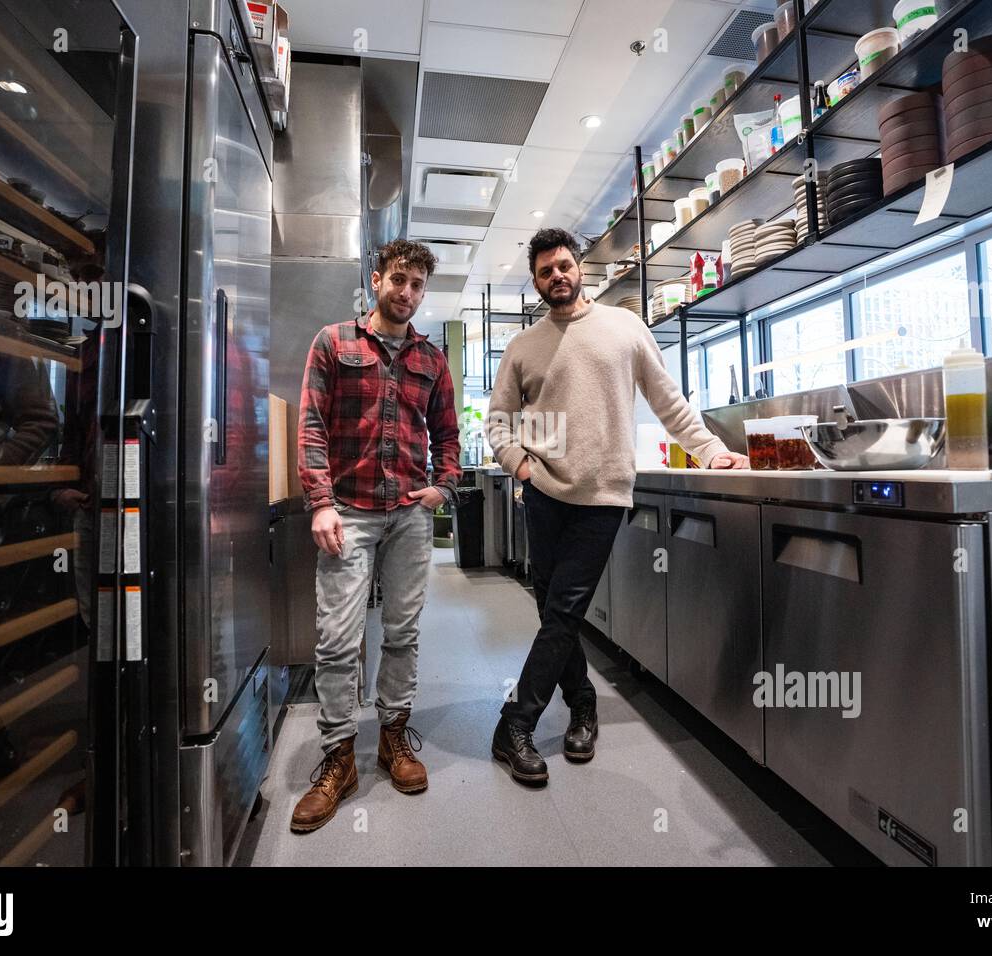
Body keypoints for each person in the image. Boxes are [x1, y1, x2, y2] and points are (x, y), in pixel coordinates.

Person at [485, 227, 748, 786]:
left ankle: (515, 722)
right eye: (544, 271)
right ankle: (583, 705)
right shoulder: (523, 346)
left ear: (579, 268)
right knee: (555, 611)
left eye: (563, 265)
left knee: (562, 610)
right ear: (535, 282)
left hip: (602, 495)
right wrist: (520, 465)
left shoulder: (625, 327)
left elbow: (667, 400)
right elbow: (498, 421)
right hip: (542, 493)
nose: (556, 275)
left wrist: (712, 450)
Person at [291, 238, 461, 831]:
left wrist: (443, 487)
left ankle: (393, 736)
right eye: (398, 280)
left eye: (417, 285)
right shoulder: (333, 342)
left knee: (402, 632)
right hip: (349, 513)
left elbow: (448, 436)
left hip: (411, 514)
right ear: (377, 279)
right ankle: (340, 756)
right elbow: (310, 422)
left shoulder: (432, 358)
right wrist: (319, 502)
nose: (407, 293)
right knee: (337, 639)